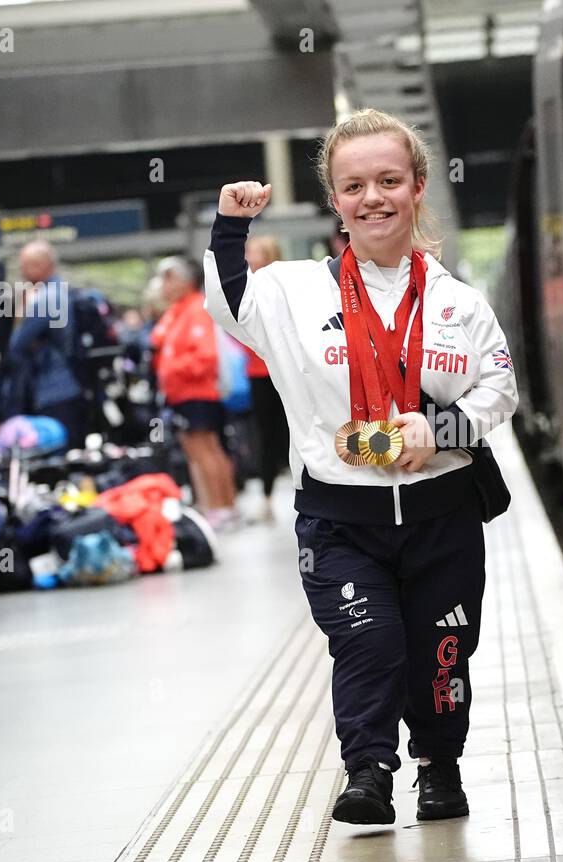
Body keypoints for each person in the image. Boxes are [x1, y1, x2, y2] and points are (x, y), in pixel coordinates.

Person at [203, 108, 518, 825]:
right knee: (368, 642)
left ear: (417, 186)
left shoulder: (457, 304)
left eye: (387, 180)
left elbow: (500, 390)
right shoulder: (292, 292)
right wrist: (229, 224)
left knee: (442, 650)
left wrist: (437, 429)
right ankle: (369, 772)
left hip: (443, 513)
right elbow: (228, 302)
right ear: (335, 200)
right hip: (342, 519)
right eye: (353, 186)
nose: (371, 198)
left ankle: (440, 768)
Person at [149, 256, 239, 531]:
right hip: (182, 395)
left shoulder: (197, 309)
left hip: (198, 393)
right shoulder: (176, 312)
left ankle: (223, 508)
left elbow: (205, 357)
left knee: (207, 451)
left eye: (169, 278)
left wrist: (172, 370)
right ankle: (212, 507)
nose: (164, 285)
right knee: (197, 452)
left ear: (187, 281)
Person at [3, 240, 85, 449]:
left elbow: (16, 344)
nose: (22, 273)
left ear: (41, 265)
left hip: (54, 390)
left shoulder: (45, 298)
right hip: (70, 385)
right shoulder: (64, 292)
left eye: (25, 266)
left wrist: (21, 314)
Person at [239, 235, 289, 523]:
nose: (248, 256)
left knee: (294, 432)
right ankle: (267, 499)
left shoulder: (282, 289)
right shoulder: (247, 289)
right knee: (266, 437)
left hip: (282, 370)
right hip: (259, 374)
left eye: (254, 252)